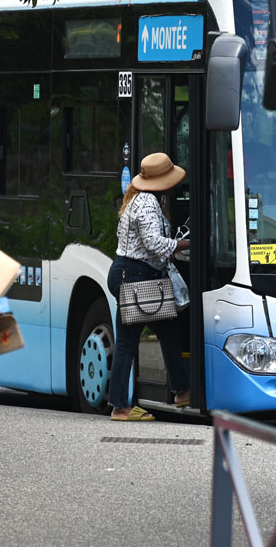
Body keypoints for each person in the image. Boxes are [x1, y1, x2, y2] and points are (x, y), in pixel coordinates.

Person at [106, 152, 191, 420]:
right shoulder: (146, 204)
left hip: (133, 274)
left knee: (168, 331)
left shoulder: (139, 199)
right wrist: (181, 245)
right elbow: (153, 244)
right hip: (136, 277)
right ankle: (120, 406)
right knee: (128, 343)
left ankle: (182, 391)